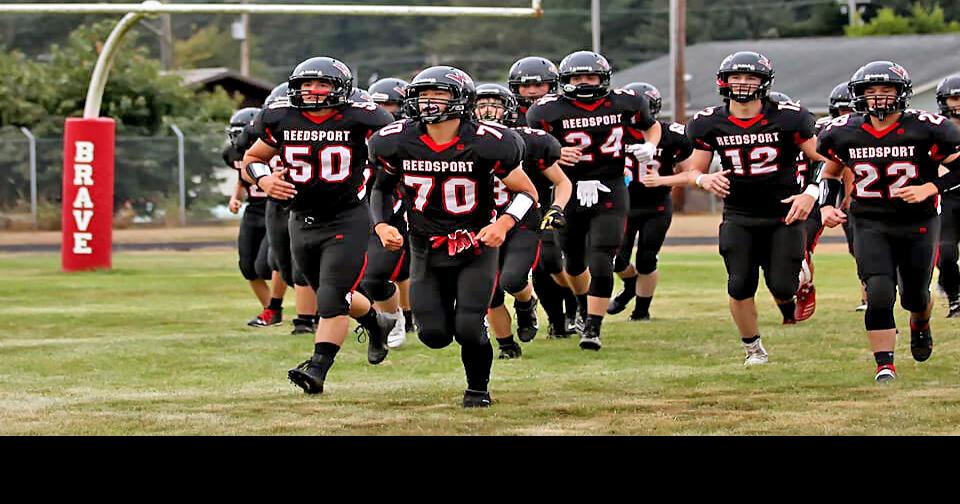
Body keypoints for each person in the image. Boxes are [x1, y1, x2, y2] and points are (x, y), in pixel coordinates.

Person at [368, 66, 537, 407]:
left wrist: (503, 223)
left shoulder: (489, 141)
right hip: (424, 245)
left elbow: (527, 192)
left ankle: (478, 390)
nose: (428, 102)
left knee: (468, 325)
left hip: (475, 244)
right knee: (433, 335)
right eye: (421, 94)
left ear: (460, 99)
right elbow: (381, 189)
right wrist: (381, 224)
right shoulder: (396, 140)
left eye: (439, 94)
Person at [241, 57, 397, 395]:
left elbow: (394, 153)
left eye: (322, 84)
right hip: (300, 218)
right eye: (307, 84)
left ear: (339, 88)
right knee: (328, 292)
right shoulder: (280, 116)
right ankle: (375, 321)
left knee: (331, 298)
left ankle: (317, 369)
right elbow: (252, 159)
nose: (313, 91)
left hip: (346, 216)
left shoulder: (362, 116)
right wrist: (265, 181)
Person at [818, 61, 960, 382]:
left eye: (887, 90)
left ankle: (920, 323)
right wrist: (826, 206)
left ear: (902, 93)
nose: (879, 97)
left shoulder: (928, 127)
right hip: (869, 220)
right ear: (859, 96)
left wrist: (930, 186)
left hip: (918, 222)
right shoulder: (842, 132)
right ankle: (885, 364)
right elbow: (829, 174)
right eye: (871, 92)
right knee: (879, 290)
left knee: (915, 296)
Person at [685, 51, 822, 365]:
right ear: (724, 81)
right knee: (739, 283)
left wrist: (810, 193)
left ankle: (801, 274)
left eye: (751, 78)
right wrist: (704, 179)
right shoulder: (708, 122)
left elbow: (823, 159)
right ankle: (753, 348)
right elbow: (695, 170)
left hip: (784, 212)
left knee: (782, 286)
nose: (743, 84)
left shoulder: (789, 116)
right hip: (739, 214)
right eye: (737, 77)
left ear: (765, 83)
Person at [527, 50, 662, 351]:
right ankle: (580, 304)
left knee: (603, 257)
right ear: (565, 80)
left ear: (604, 78)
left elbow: (651, 125)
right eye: (577, 77)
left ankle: (593, 327)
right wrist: (556, 151)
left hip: (610, 186)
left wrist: (650, 146)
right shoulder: (546, 109)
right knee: (573, 262)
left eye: (590, 77)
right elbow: (532, 146)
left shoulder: (626, 101)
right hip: (568, 188)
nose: (584, 83)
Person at [474, 83, 572, 359]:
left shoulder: (530, 141)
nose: (488, 110)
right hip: (481, 224)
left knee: (513, 280)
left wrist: (557, 208)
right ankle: (507, 345)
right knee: (488, 292)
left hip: (522, 222)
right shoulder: (463, 141)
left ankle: (526, 303)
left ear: (509, 108)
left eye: (494, 103)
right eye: (481, 104)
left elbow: (562, 182)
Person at [606, 82, 694, 322]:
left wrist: (663, 179)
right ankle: (631, 287)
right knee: (616, 259)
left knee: (647, 259)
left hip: (656, 205)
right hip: (621, 205)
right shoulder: (612, 133)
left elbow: (692, 174)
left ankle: (641, 311)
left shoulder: (672, 135)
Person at [508, 56, 579, 335]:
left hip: (558, 192)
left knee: (562, 261)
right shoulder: (507, 115)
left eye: (540, 84)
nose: (533, 91)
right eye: (525, 86)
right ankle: (558, 322)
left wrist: (562, 154)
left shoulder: (566, 111)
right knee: (542, 264)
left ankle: (575, 307)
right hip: (517, 197)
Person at [255, 83, 319, 335]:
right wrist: (263, 179)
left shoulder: (324, 128)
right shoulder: (269, 126)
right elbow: (249, 165)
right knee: (281, 264)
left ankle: (308, 318)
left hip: (313, 202)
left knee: (307, 266)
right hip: (278, 202)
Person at [223, 106, 287, 327]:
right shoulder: (233, 154)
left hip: (277, 206)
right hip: (253, 209)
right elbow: (242, 180)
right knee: (248, 266)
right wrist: (235, 198)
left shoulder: (279, 146)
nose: (239, 138)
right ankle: (270, 311)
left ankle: (309, 309)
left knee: (270, 264)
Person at [363, 77, 415, 347]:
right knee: (367, 276)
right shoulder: (361, 132)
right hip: (364, 210)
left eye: (391, 104)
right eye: (378, 104)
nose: (384, 111)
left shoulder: (411, 135)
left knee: (388, 272)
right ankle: (392, 318)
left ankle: (399, 318)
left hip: (404, 210)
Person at [935, 74, 960, 318]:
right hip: (948, 197)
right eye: (955, 97)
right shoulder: (936, 129)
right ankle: (956, 299)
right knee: (947, 253)